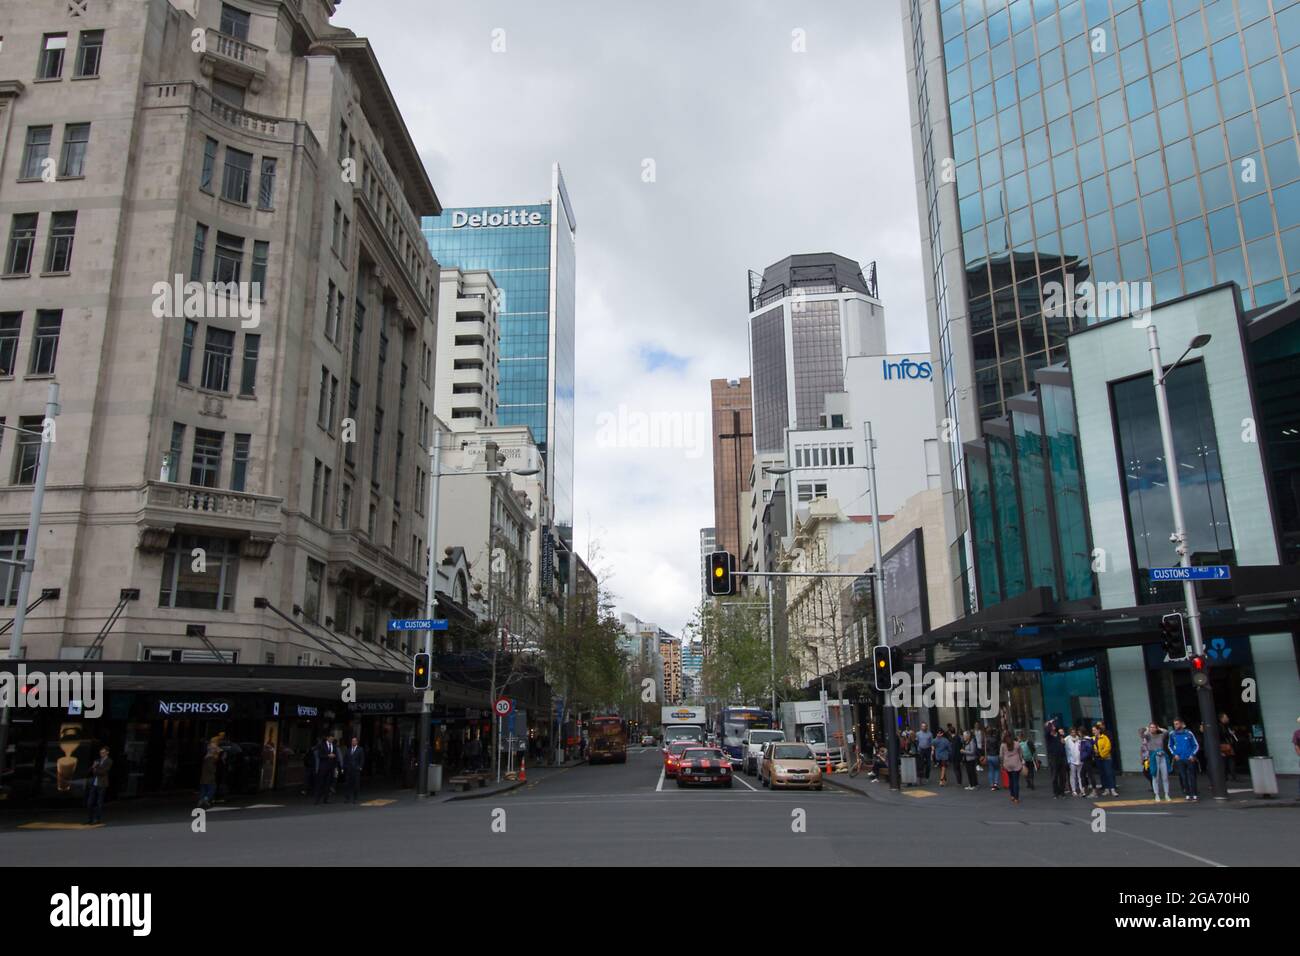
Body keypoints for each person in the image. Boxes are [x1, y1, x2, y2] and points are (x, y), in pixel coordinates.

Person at [1169, 719, 1200, 801]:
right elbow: (1170, 745)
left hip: (1189, 758)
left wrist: (1192, 755)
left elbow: (1196, 745)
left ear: (1182, 724)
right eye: (1174, 724)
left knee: (1192, 776)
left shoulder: (1189, 733)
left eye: (1177, 724)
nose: (1175, 726)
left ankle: (1194, 794)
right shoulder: (1172, 734)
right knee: (1183, 777)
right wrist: (1174, 754)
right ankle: (1187, 794)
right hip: (1179, 758)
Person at [86, 746, 112, 824]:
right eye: (100, 752)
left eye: (103, 752)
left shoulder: (109, 761)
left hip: (102, 784)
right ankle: (90, 819)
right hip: (94, 783)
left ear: (107, 752)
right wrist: (93, 767)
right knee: (90, 802)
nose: (101, 754)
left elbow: (103, 772)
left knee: (99, 802)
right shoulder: (97, 760)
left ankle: (97, 819)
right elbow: (89, 771)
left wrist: (96, 768)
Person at [1147, 722, 1172, 801]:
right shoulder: (1148, 736)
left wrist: (1159, 728)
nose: (1152, 729)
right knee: (1155, 776)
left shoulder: (1161, 735)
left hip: (1162, 756)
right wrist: (1147, 729)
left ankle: (1166, 794)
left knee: (1165, 777)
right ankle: (1156, 794)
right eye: (1151, 727)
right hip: (1154, 757)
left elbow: (1166, 732)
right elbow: (1142, 733)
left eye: (1154, 727)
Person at [314, 736, 339, 804]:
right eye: (330, 738)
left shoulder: (334, 746)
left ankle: (326, 799)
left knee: (328, 784)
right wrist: (328, 756)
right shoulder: (322, 745)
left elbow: (336, 756)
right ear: (327, 738)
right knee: (320, 783)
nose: (332, 739)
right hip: (323, 767)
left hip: (331, 767)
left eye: (333, 738)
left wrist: (335, 765)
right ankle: (317, 799)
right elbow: (320, 755)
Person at [999, 733, 1024, 804]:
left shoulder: (1003, 745)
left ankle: (1012, 795)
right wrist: (1022, 761)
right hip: (1016, 763)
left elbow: (1001, 756)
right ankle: (1016, 798)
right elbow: (1021, 754)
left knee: (1010, 779)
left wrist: (1001, 764)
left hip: (1007, 764)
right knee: (1016, 781)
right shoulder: (1017, 744)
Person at [1094, 723, 1117, 796]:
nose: (1093, 731)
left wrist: (1101, 754)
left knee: (1109, 773)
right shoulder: (1093, 738)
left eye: (1094, 730)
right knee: (1103, 773)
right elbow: (1093, 746)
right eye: (1092, 730)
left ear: (1098, 730)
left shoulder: (1104, 737)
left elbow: (1108, 747)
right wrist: (1095, 752)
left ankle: (1112, 789)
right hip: (1098, 758)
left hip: (1106, 757)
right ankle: (1106, 789)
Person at [1045, 721, 1067, 798]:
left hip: (1061, 757)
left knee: (1063, 776)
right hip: (1053, 758)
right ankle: (1056, 792)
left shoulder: (1059, 735)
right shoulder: (1049, 736)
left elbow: (1063, 743)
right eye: (1052, 726)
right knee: (1054, 776)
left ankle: (1062, 791)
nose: (1053, 727)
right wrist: (1049, 724)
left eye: (1054, 726)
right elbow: (1047, 731)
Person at [342, 736, 365, 804]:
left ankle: (355, 798)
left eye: (354, 741)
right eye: (352, 741)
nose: (353, 742)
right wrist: (344, 767)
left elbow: (362, 759)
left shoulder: (360, 749)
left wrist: (360, 767)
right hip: (349, 769)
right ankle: (347, 798)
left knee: (356, 784)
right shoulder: (348, 749)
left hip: (356, 769)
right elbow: (345, 758)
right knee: (347, 784)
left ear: (357, 742)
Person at [1217, 713, 1239, 782]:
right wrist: (1229, 734)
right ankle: (1227, 776)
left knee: (1229, 761)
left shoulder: (1228, 726)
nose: (1227, 719)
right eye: (1226, 717)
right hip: (1223, 745)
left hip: (1227, 744)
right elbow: (1221, 735)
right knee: (1225, 761)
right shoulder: (1220, 726)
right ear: (1221, 719)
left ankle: (1232, 776)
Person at [198, 743, 220, 809]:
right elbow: (212, 769)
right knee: (212, 789)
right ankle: (205, 799)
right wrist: (215, 768)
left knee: (204, 790)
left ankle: (201, 800)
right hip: (210, 778)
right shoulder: (211, 758)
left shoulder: (206, 757)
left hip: (203, 778)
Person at [1065, 726, 1083, 796]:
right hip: (1071, 760)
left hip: (1080, 759)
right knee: (1073, 775)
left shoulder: (1079, 738)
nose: (1073, 733)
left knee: (1080, 775)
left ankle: (1081, 789)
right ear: (1070, 732)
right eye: (1072, 732)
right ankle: (1074, 790)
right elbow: (1066, 751)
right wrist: (1068, 760)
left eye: (1074, 732)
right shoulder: (1066, 739)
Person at [1079, 725, 1096, 795]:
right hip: (1087, 759)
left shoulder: (1086, 740)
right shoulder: (1085, 740)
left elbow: (1088, 750)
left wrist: (1083, 757)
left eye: (1079, 732)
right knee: (1083, 774)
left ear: (1082, 732)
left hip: (1087, 759)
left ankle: (1093, 791)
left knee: (1089, 774)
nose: (1078, 734)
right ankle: (1084, 789)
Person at [983, 726, 1000, 791]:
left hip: (989, 756)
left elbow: (985, 749)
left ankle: (991, 785)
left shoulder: (986, 739)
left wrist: (985, 756)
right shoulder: (996, 739)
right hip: (995, 755)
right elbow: (998, 747)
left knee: (990, 770)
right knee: (996, 770)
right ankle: (996, 784)